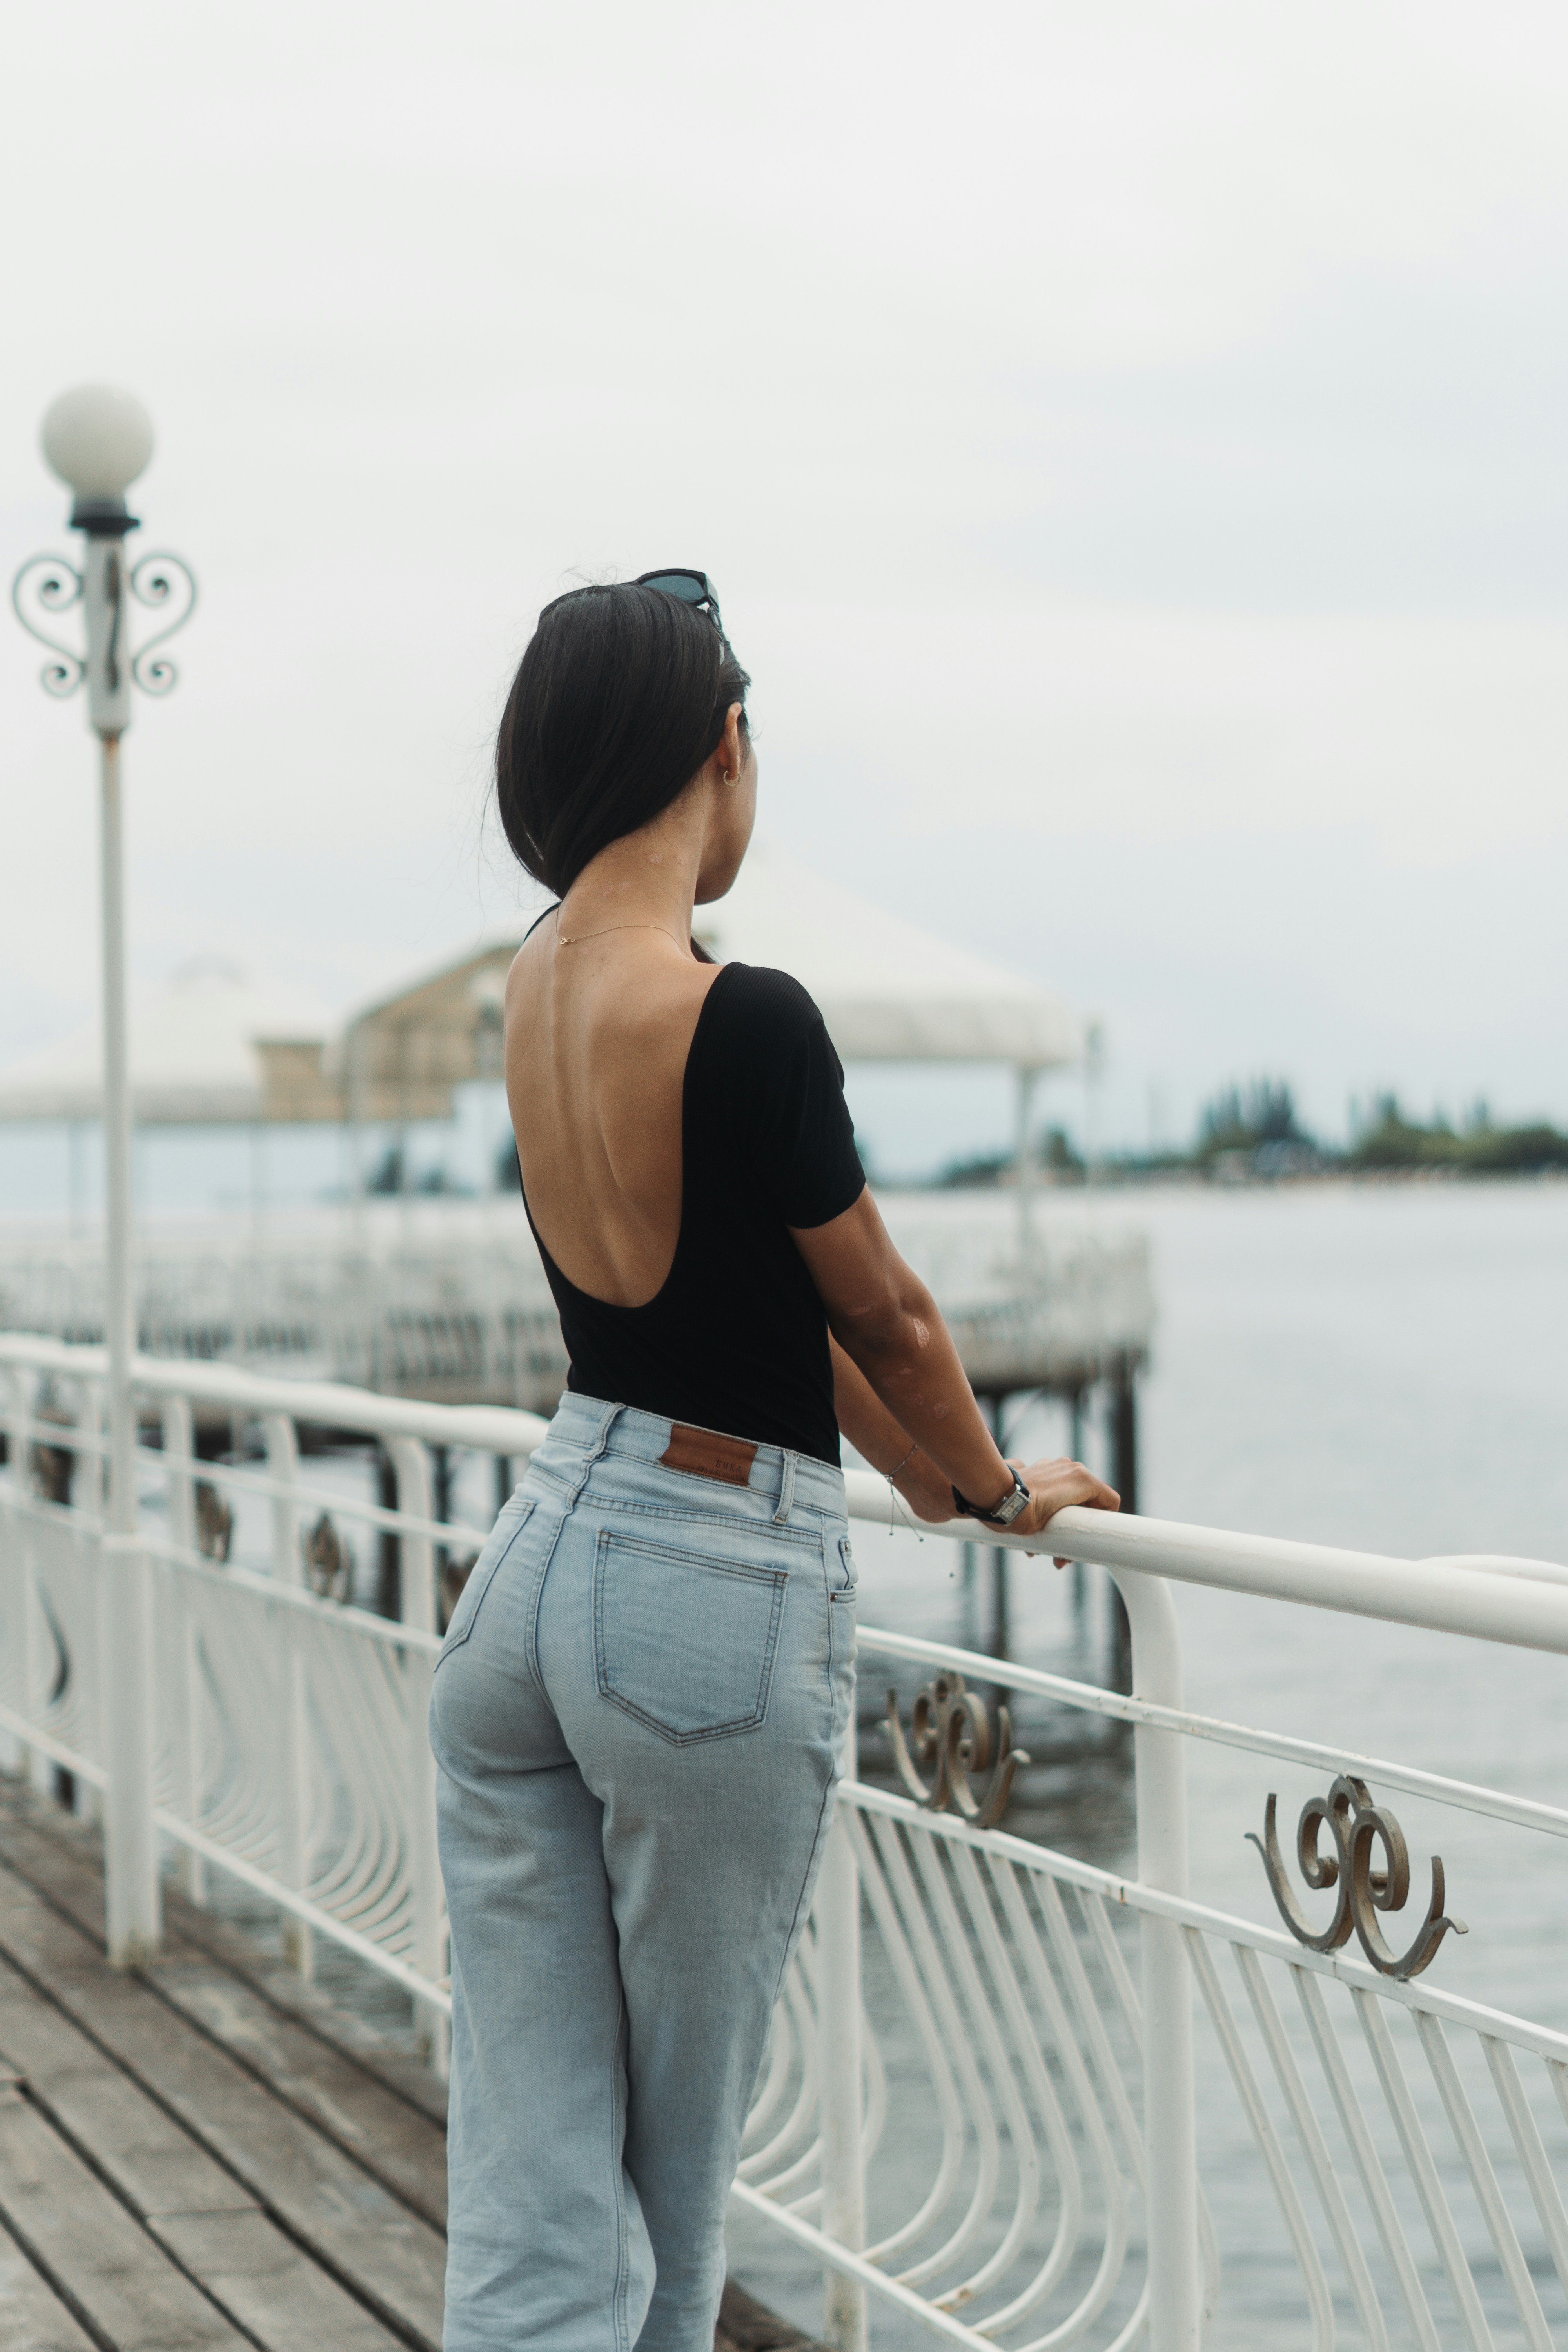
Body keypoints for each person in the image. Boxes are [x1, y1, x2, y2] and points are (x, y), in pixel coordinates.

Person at [428, 572, 1120, 2352]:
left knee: (532, 2170)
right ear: (722, 748)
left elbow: (760, 1308)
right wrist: (987, 1493)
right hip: (698, 1602)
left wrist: (913, 1472)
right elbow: (881, 1317)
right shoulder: (745, 1018)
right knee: (673, 2206)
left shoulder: (529, 986)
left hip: (539, 1567)